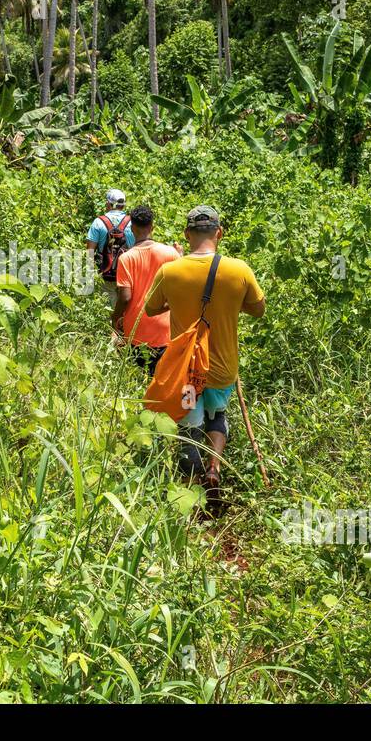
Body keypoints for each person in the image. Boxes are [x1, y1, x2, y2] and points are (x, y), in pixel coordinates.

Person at [143, 205, 265, 514]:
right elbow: (258, 309)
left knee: (189, 427)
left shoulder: (170, 271)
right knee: (217, 416)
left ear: (186, 235)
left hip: (187, 371)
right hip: (223, 369)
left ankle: (193, 485)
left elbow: (151, 310)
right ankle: (214, 467)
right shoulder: (240, 270)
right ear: (219, 233)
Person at [113, 205, 180, 374]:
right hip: (165, 330)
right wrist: (181, 255)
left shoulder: (126, 258)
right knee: (162, 382)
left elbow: (125, 297)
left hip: (136, 331)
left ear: (132, 228)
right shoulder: (171, 253)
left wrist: (115, 318)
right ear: (152, 227)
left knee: (137, 383)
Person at [86, 189, 135, 302]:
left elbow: (90, 251)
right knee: (126, 310)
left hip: (106, 275)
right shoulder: (132, 222)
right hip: (128, 274)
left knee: (108, 309)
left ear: (109, 204)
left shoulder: (98, 222)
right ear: (123, 205)